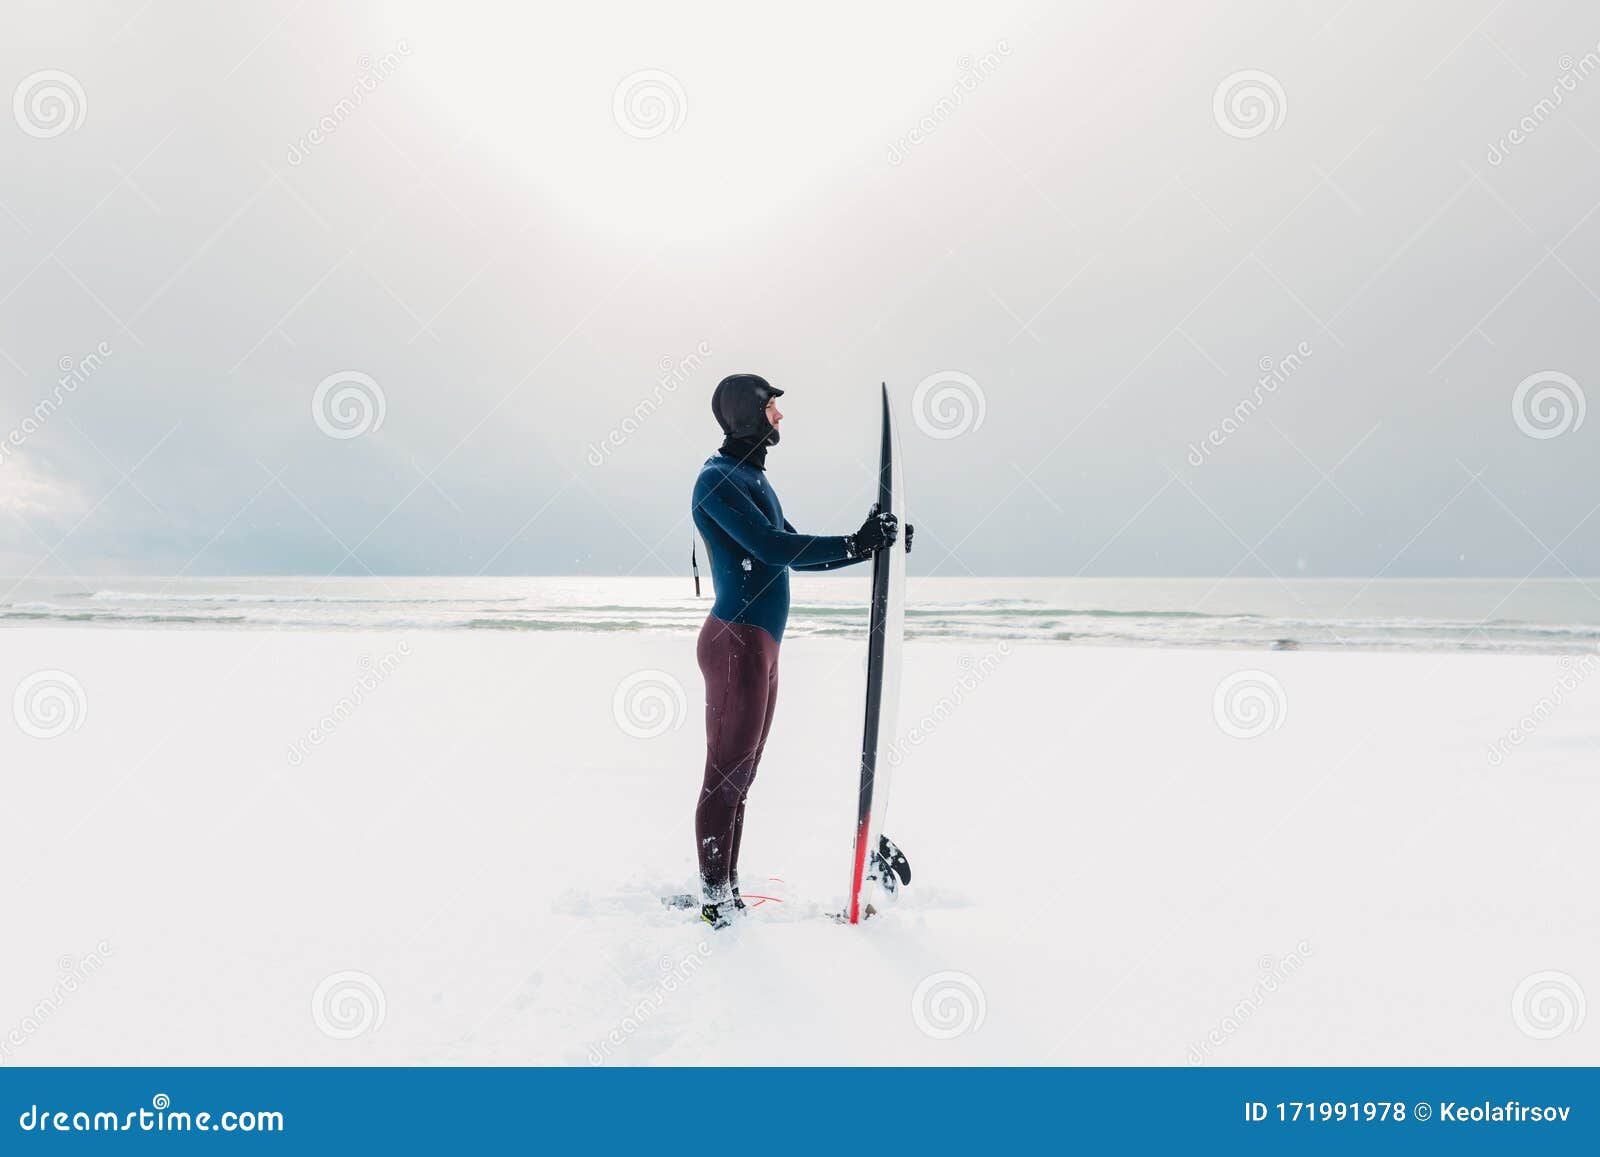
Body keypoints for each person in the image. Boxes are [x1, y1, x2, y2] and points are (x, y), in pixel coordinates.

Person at [689, 373, 910, 928]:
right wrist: (859, 543)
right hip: (736, 642)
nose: (779, 417)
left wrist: (872, 547)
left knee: (744, 773)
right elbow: (771, 547)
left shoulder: (750, 480)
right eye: (770, 407)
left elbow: (791, 547)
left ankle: (727, 888)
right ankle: (715, 896)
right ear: (746, 414)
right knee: (727, 775)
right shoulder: (716, 481)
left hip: (760, 647)